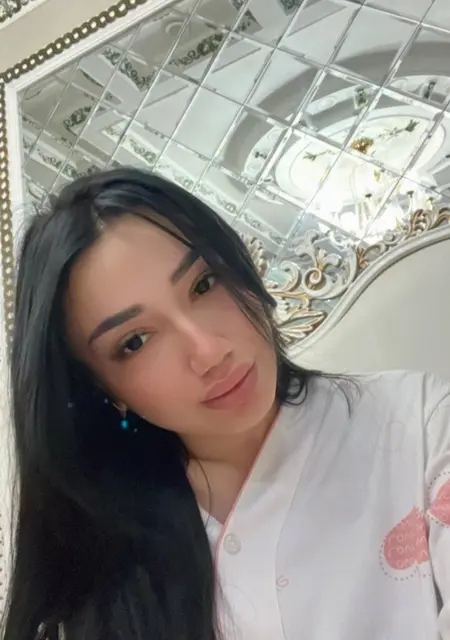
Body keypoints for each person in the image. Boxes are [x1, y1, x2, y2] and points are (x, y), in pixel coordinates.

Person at [2, 166, 450, 640]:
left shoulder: (417, 424)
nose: (209, 351)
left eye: (204, 284)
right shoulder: (96, 573)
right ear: (102, 388)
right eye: (136, 341)